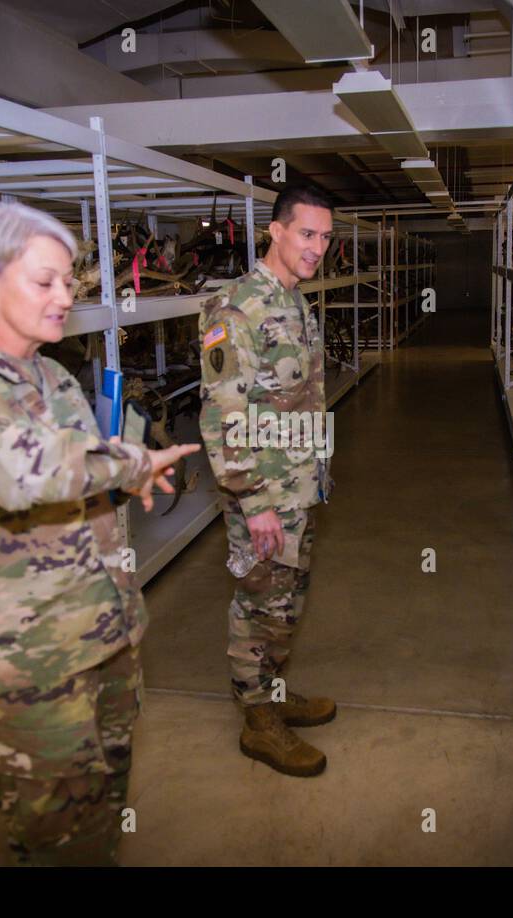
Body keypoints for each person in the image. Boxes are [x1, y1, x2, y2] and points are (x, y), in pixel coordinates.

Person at [0, 201, 198, 865]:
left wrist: (118, 482)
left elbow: (75, 473)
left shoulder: (54, 374)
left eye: (70, 280)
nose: (66, 296)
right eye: (45, 281)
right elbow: (23, 475)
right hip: (31, 670)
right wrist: (131, 461)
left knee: (99, 826)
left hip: (105, 638)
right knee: (58, 843)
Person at [197, 182, 338, 777]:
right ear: (275, 231)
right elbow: (222, 416)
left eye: (326, 238)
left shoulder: (295, 302)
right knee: (258, 602)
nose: (318, 248)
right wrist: (252, 501)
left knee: (286, 601)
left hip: (299, 489)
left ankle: (273, 693)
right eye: (307, 234)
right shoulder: (235, 309)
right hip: (263, 496)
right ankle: (258, 722)